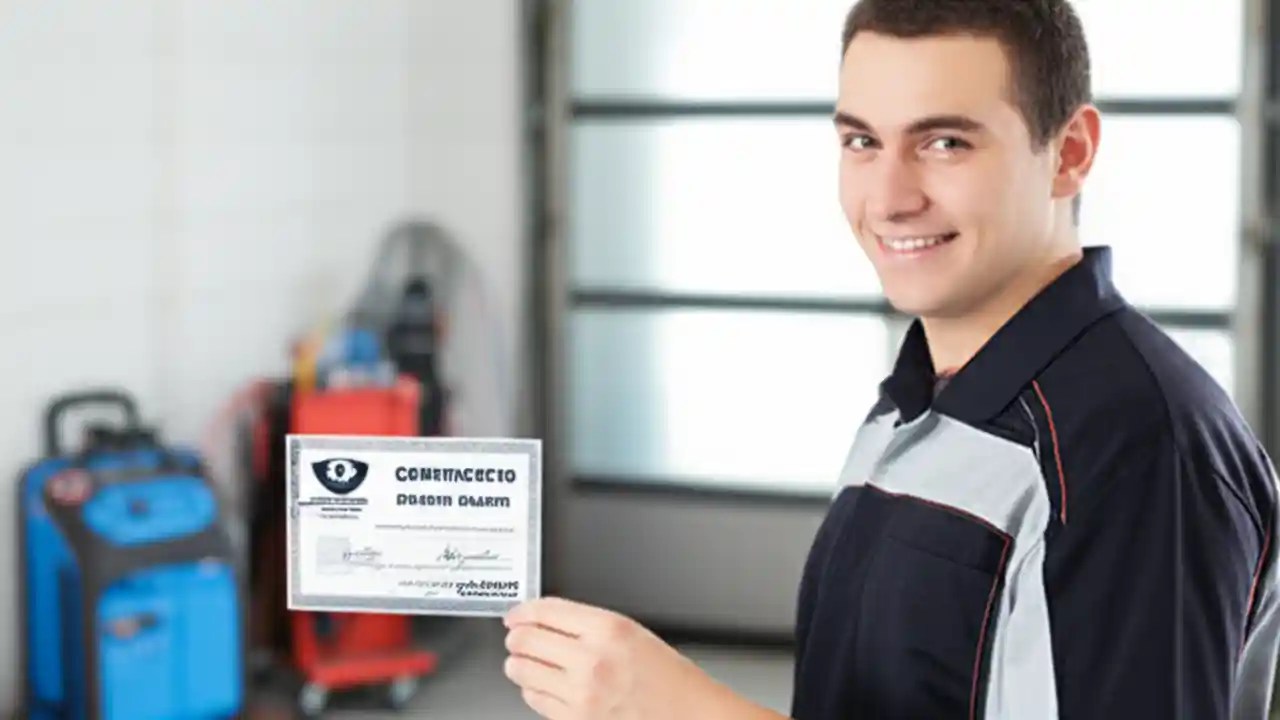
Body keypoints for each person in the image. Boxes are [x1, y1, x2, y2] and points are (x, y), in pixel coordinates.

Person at [501, 0, 1280, 717]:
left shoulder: (1136, 450)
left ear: (1069, 152)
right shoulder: (918, 399)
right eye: (862, 142)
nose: (889, 197)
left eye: (944, 143)